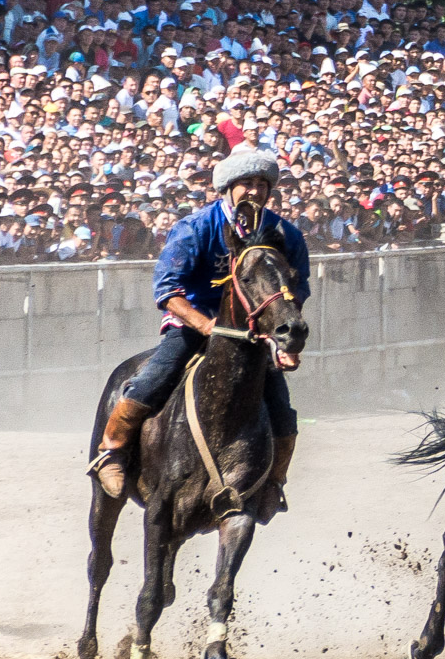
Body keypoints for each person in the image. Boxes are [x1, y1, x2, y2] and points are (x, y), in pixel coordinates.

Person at [87, 150, 309, 520]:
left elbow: (293, 290)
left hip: (252, 334)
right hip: (193, 325)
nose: (254, 192)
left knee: (282, 412)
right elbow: (168, 289)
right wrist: (206, 326)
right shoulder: (195, 228)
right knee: (155, 377)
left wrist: (282, 337)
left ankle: (273, 481)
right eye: (246, 185)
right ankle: (112, 449)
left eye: (261, 185)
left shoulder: (285, 235)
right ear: (228, 188)